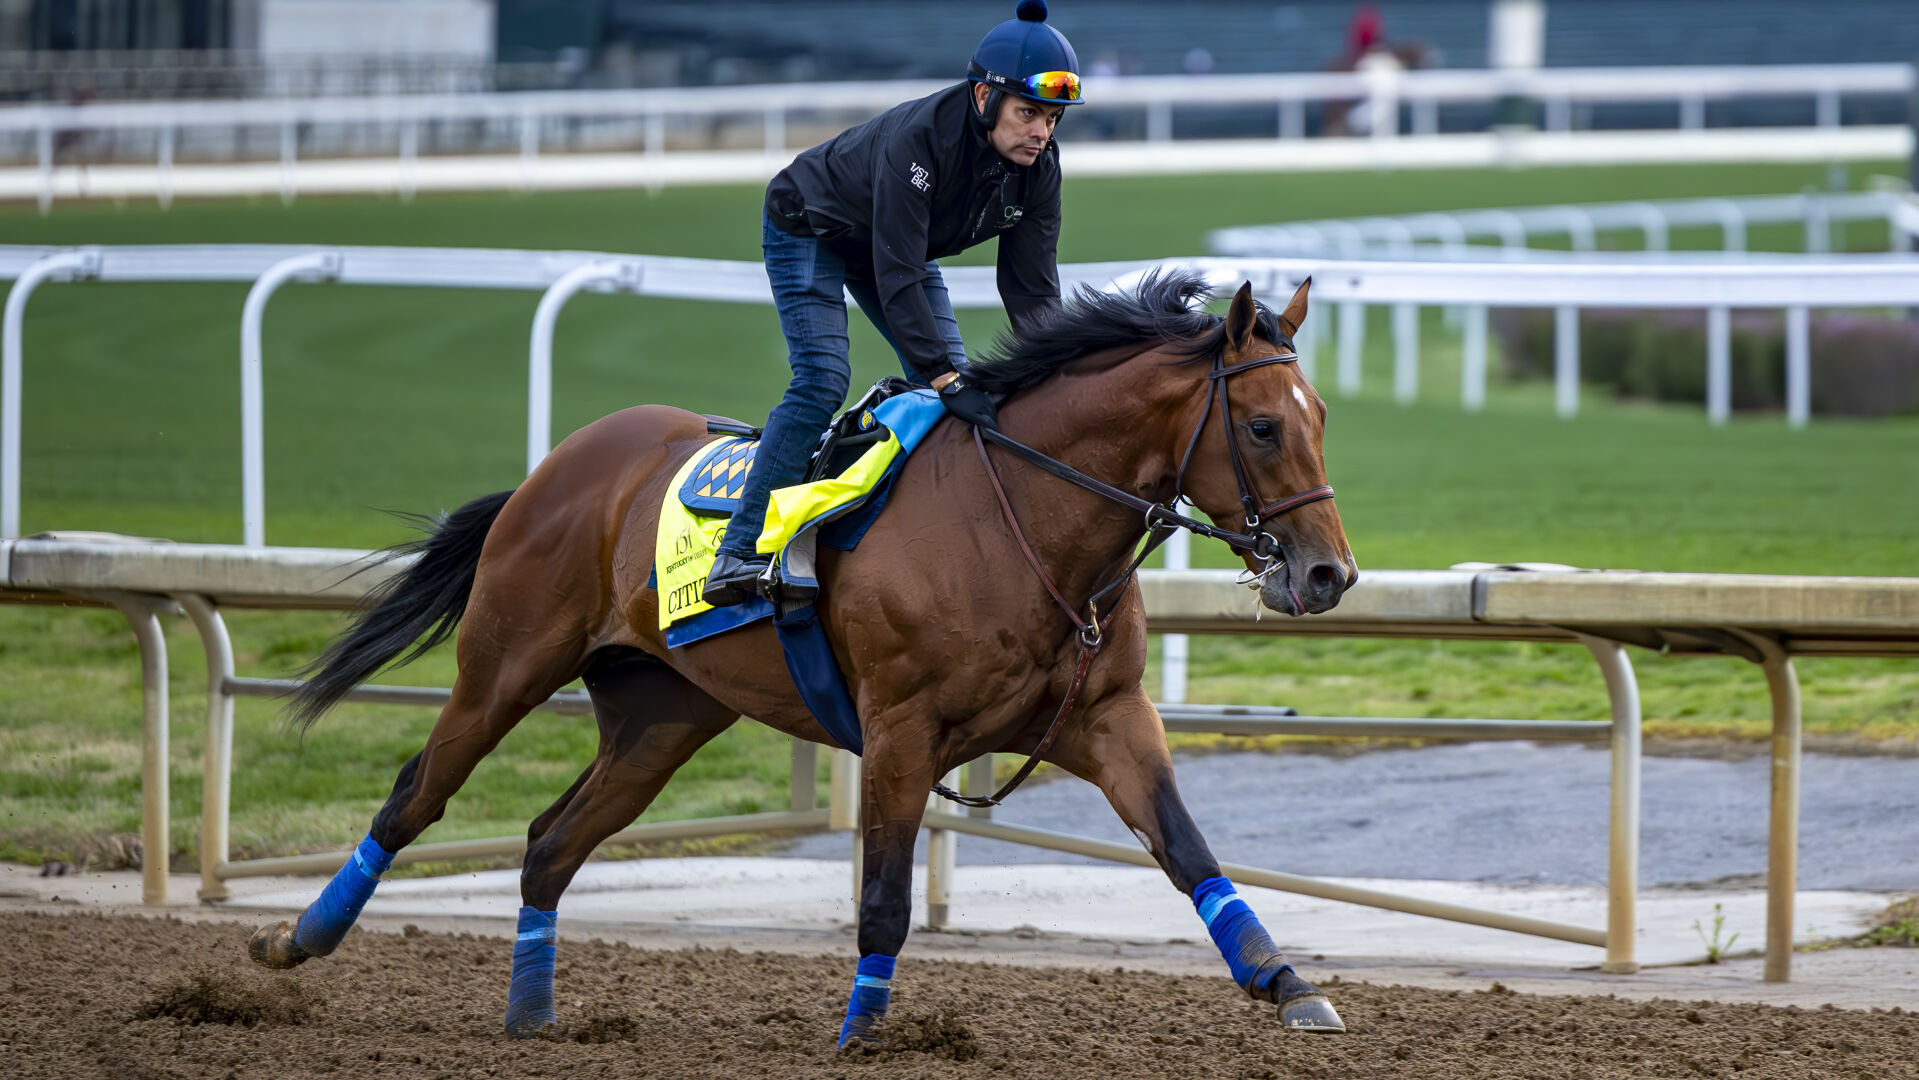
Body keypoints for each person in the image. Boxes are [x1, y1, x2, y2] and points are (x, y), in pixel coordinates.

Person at [702, 0, 1083, 606]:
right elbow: (899, 272)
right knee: (824, 379)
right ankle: (739, 549)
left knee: (945, 395)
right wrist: (946, 376)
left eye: (1053, 118)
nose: (1042, 132)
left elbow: (1032, 288)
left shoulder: (1040, 167)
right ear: (984, 98)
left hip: (894, 244)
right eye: (1028, 112)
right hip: (811, 226)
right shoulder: (920, 141)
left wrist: (1062, 374)